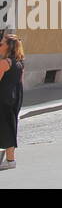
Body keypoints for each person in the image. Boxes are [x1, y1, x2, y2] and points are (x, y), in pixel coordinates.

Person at [0, 33, 24, 170]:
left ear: (8, 47)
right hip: (13, 99)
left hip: (3, 99)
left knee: (6, 128)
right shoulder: (19, 63)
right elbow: (20, 83)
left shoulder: (4, 63)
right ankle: (10, 160)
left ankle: (10, 161)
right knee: (9, 127)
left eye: (1, 43)